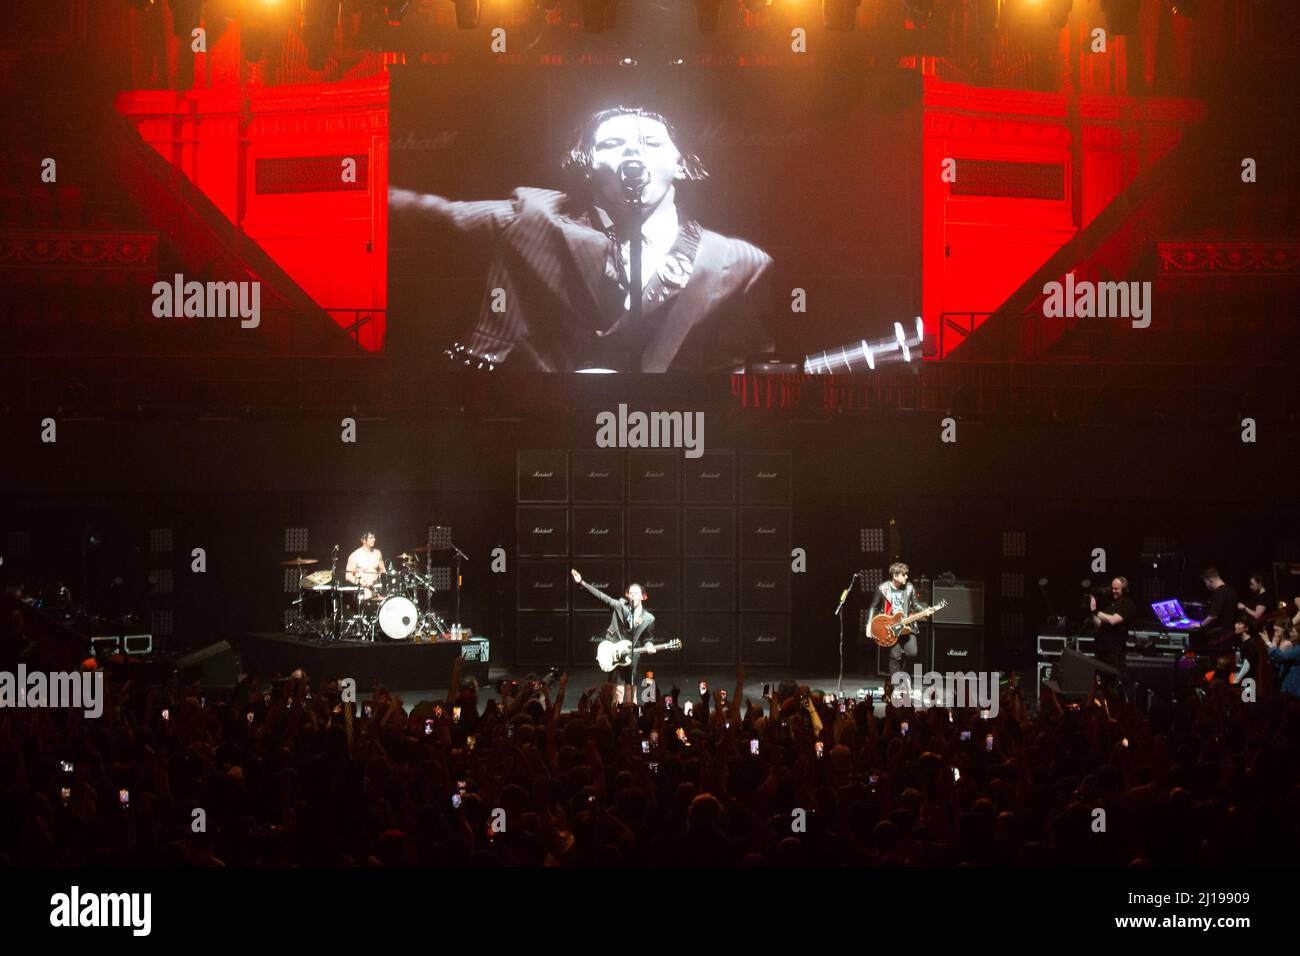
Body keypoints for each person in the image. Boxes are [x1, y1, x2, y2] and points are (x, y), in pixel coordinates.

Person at [388, 105, 775, 372]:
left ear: (681, 164)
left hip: (663, 437)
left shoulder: (737, 262)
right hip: (534, 427)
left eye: (652, 142)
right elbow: (434, 217)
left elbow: (743, 375)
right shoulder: (537, 215)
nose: (632, 148)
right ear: (587, 164)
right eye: (611, 143)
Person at [570, 568, 655, 702]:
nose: (632, 595)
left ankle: (632, 719)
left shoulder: (649, 618)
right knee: (618, 691)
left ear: (643, 596)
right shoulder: (619, 606)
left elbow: (648, 639)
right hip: (616, 654)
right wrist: (581, 582)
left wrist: (649, 646)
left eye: (636, 593)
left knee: (631, 692)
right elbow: (600, 596)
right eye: (630, 593)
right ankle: (617, 718)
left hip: (633, 656)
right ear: (627, 595)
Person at [869, 562, 929, 678]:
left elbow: (915, 605)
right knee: (895, 656)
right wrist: (869, 625)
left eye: (906, 574)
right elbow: (874, 606)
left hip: (907, 625)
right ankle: (896, 685)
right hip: (891, 627)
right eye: (904, 574)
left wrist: (925, 611)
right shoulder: (883, 588)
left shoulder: (909, 587)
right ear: (895, 576)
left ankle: (904, 678)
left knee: (912, 653)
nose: (907, 577)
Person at [1089, 576, 1136, 695]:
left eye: (1117, 589)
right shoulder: (1112, 604)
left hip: (1114, 654)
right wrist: (1092, 611)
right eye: (1113, 588)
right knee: (1100, 687)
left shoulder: (1128, 604)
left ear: (1124, 590)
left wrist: (1095, 611)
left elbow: (1113, 620)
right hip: (1102, 652)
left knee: (1112, 688)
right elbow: (1099, 624)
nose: (1113, 591)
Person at [1194, 567, 1238, 650]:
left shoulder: (1219, 592)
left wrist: (1200, 625)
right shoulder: (1231, 590)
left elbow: (1213, 616)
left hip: (1220, 636)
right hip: (1230, 634)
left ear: (1210, 580)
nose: (1206, 585)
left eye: (1205, 582)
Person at [345, 531, 386, 598]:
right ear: (363, 540)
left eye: (374, 537)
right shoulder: (355, 555)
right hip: (363, 589)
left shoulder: (378, 553)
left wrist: (380, 579)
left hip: (377, 588)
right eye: (371, 538)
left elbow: (383, 570)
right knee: (368, 595)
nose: (374, 539)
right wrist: (359, 581)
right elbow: (348, 576)